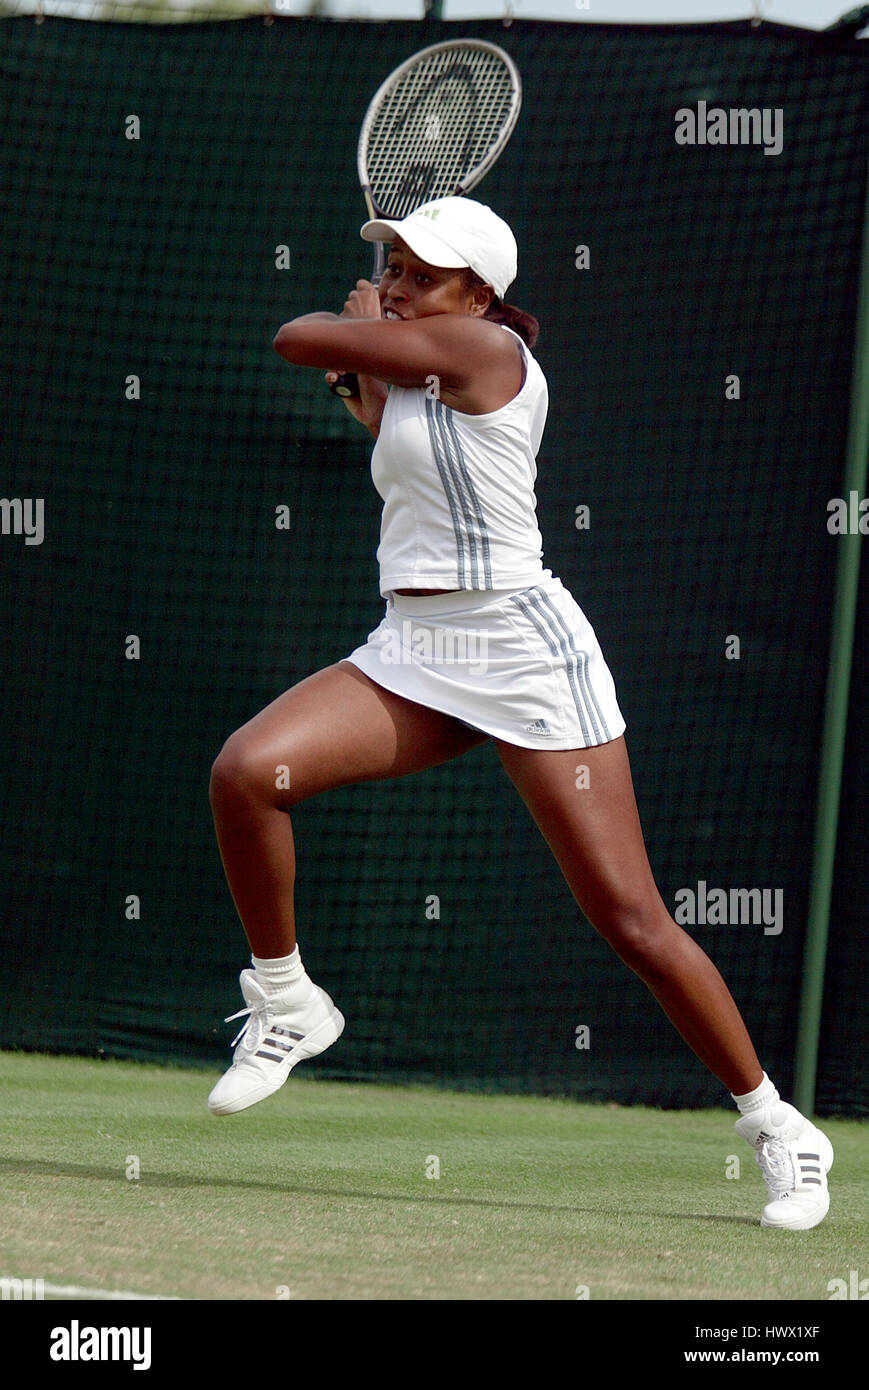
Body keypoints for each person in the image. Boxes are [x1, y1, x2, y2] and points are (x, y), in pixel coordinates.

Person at [207, 197, 832, 1231]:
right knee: (246, 771)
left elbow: (293, 337)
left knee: (627, 917)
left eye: (421, 271)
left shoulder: (480, 347)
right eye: (393, 265)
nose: (400, 280)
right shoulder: (419, 360)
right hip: (413, 649)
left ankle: (776, 1127)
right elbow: (394, 430)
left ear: (479, 295)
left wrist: (365, 330)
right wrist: (372, 368)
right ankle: (285, 1001)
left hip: (522, 653)